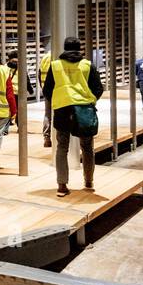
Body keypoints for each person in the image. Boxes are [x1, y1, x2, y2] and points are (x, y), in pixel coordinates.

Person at [42, 37, 104, 197]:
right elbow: (98, 87)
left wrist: (57, 100)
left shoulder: (55, 65)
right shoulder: (87, 65)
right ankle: (88, 181)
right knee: (87, 147)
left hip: (62, 110)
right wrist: (90, 100)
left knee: (62, 148)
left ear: (64, 48)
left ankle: (62, 185)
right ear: (79, 48)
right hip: (84, 110)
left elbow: (47, 89)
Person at [38, 39, 53, 148]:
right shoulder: (58, 57)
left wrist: (42, 87)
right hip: (58, 90)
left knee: (47, 114)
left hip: (46, 89)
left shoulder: (44, 58)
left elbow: (39, 73)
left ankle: (46, 137)